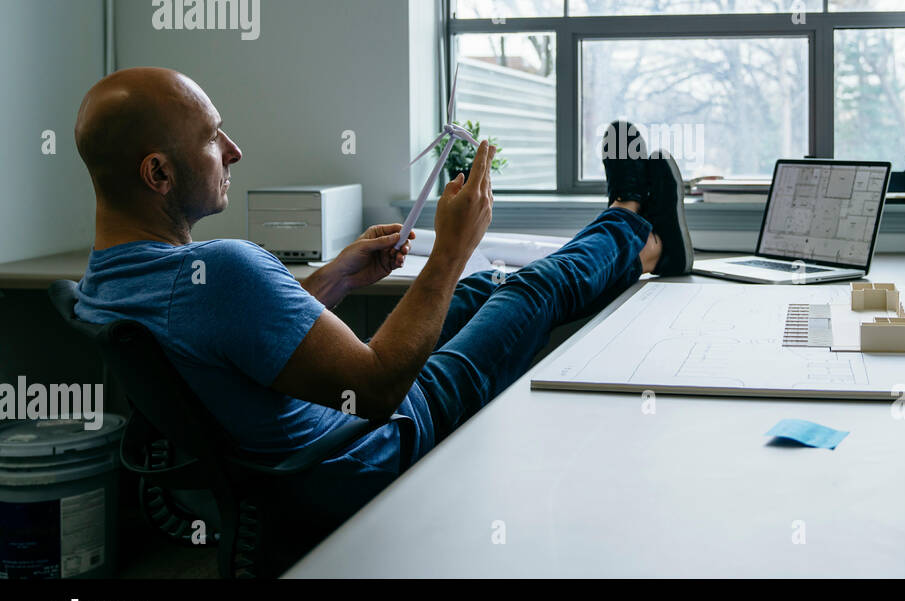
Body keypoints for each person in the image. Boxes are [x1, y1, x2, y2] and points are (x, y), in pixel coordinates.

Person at [72, 66, 692, 528]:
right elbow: (375, 388)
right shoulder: (222, 269)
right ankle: (635, 219)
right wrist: (451, 248)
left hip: (301, 459)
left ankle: (644, 247)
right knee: (524, 291)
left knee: (484, 287)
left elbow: (228, 343)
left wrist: (336, 279)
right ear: (158, 174)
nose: (234, 150)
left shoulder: (102, 284)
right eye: (212, 137)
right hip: (370, 446)